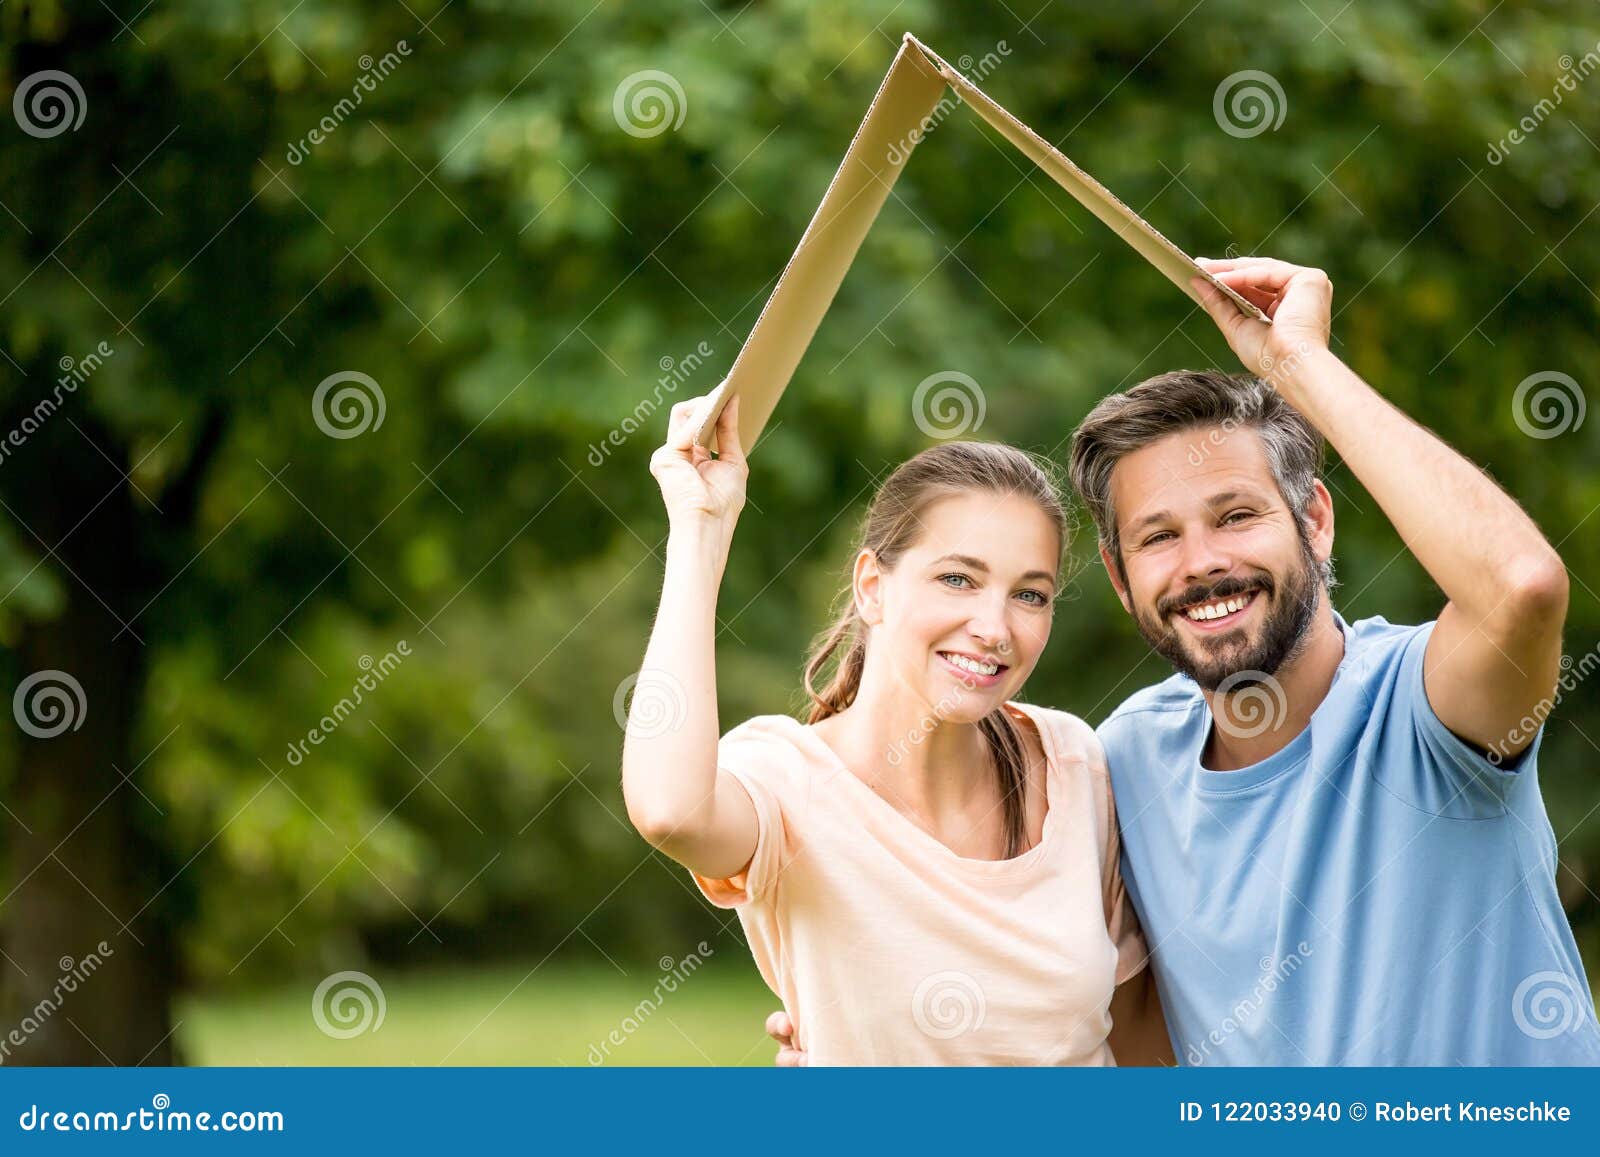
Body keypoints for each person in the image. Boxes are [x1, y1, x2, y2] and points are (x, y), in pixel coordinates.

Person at [767, 255, 1600, 1065]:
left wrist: (1301, 365)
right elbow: (1092, 1016)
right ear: (1123, 580)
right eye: (1159, 536)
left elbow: (1522, 587)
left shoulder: (1427, 711)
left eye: (1235, 515)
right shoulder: (1121, 761)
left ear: (1314, 520)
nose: (1200, 561)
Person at [621, 394, 1172, 1065]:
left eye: (1030, 593)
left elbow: (1137, 1032)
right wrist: (700, 527)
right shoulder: (786, 779)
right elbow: (669, 812)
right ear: (871, 586)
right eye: (958, 579)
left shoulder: (1072, 759)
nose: (995, 628)